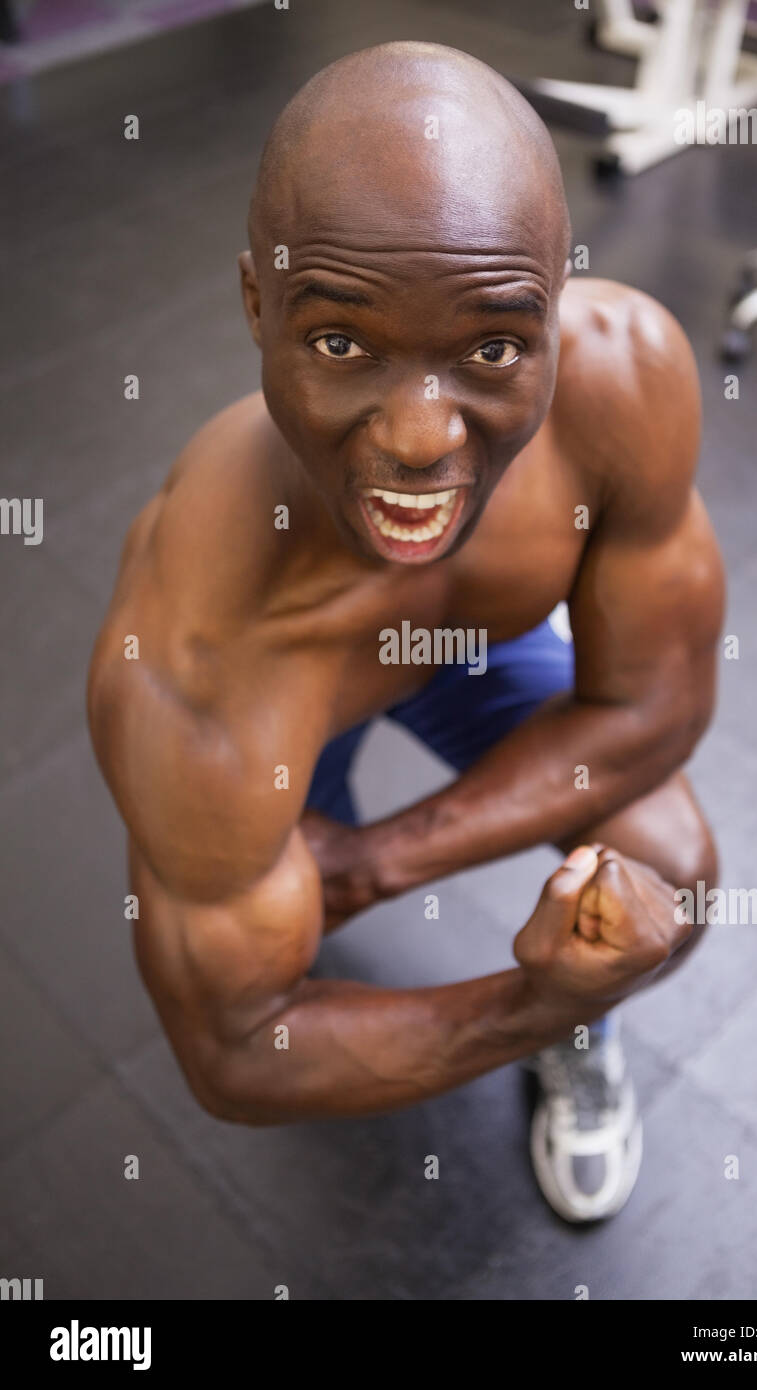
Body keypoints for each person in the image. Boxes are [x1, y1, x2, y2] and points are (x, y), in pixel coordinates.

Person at [88, 40, 724, 1224]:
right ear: (254, 304)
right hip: (292, 692)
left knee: (669, 870)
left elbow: (653, 707)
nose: (425, 439)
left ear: (553, 295)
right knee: (260, 943)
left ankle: (569, 1025)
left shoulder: (622, 378)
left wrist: (380, 863)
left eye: (488, 348)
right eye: (342, 343)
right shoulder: (194, 645)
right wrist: (522, 1003)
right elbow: (232, 1052)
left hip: (475, 635)